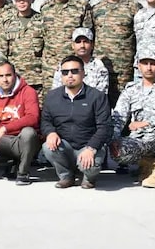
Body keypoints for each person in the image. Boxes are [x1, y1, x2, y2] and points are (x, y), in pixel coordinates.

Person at [41, 55, 112, 189]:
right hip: (65, 146)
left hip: (88, 145)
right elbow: (45, 121)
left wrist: (91, 148)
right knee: (48, 147)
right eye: (65, 72)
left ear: (83, 73)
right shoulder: (52, 96)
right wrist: (50, 133)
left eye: (74, 71)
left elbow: (105, 127)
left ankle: (88, 178)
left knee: (92, 165)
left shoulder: (97, 97)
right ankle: (66, 176)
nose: (70, 75)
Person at [113, 54, 155, 187]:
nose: (149, 68)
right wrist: (114, 137)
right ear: (138, 65)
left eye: (153, 64)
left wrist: (147, 123)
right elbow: (118, 116)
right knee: (118, 151)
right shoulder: (131, 89)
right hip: (140, 138)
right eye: (145, 63)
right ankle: (149, 164)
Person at [92, 0, 142, 103]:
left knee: (122, 105)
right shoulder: (96, 8)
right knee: (99, 104)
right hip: (101, 68)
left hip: (124, 70)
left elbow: (140, 37)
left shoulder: (134, 7)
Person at [39, 0, 94, 79]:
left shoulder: (81, 6)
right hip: (50, 66)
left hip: (73, 65)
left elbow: (89, 36)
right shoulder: (45, 8)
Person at [3, 0, 45, 92]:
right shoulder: (8, 22)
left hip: (36, 78)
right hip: (14, 78)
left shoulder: (41, 21)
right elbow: (3, 51)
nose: (21, 2)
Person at [61, 28, 109, 94]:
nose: (82, 46)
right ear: (73, 45)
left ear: (92, 45)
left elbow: (100, 97)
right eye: (78, 42)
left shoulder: (99, 67)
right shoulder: (65, 65)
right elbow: (57, 93)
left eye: (86, 42)